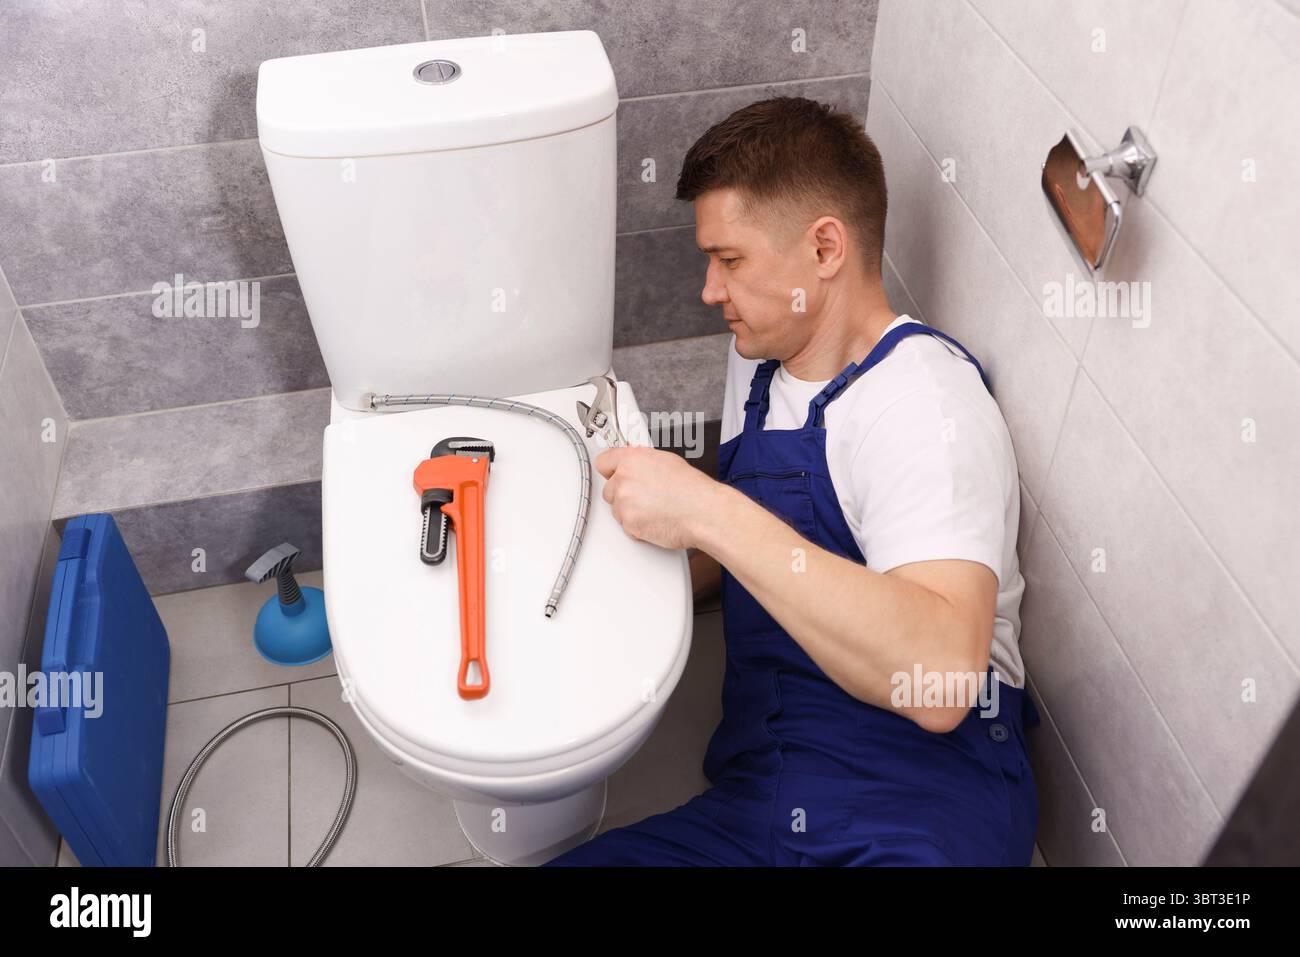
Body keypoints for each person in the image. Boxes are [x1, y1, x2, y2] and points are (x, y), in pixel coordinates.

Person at [543, 96, 1039, 866]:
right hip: (761, 797)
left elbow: (939, 679)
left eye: (730, 260)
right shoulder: (763, 362)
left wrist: (705, 508)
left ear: (826, 250)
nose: (711, 288)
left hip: (918, 803)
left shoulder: (923, 404)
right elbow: (755, 553)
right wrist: (616, 575)